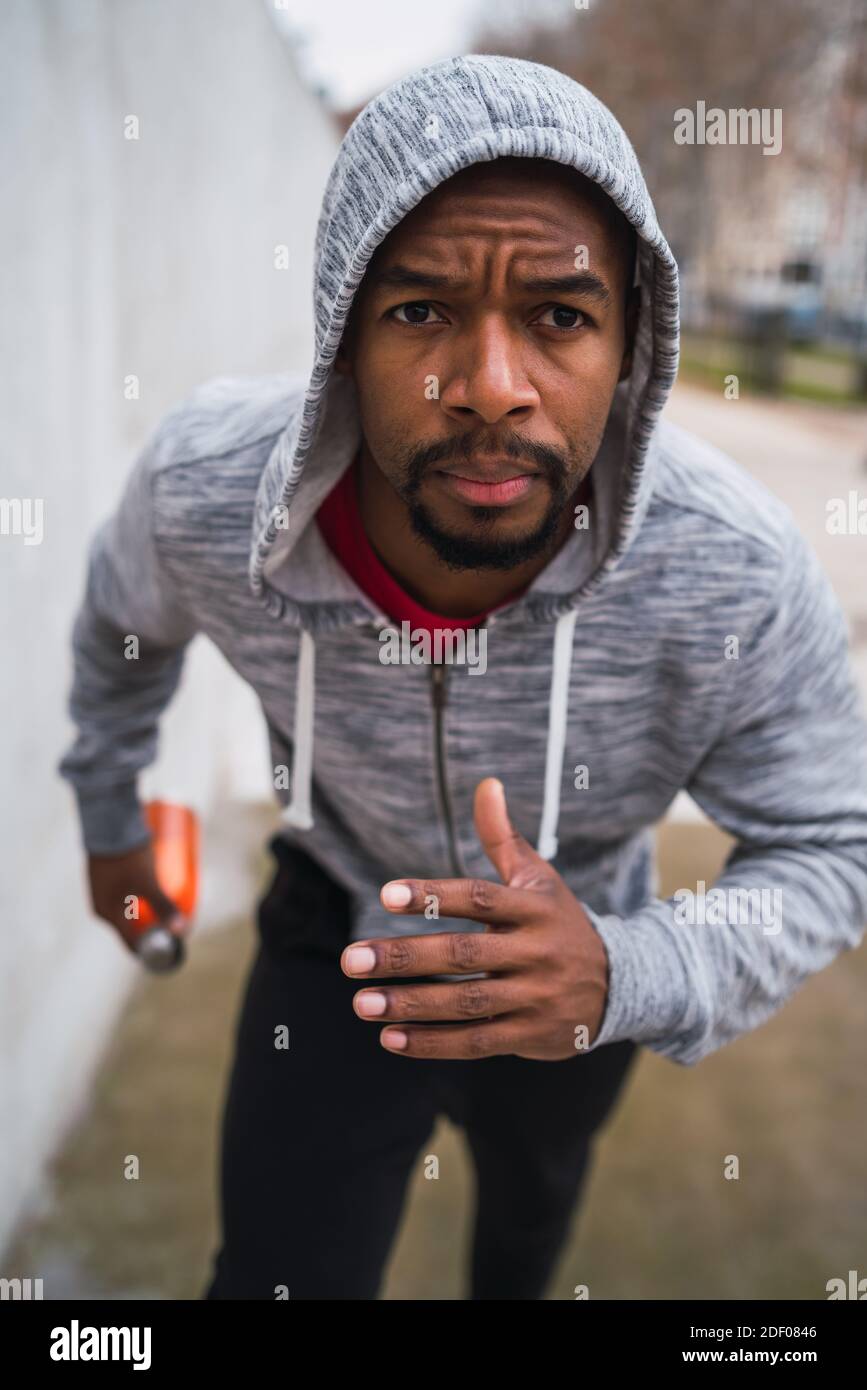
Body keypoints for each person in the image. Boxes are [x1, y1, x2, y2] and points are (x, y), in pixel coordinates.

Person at [58, 54, 867, 1300]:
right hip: (337, 921)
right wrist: (109, 817)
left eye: (560, 315)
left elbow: (831, 842)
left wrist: (627, 970)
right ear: (340, 335)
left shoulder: (733, 572)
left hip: (580, 950)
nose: (492, 387)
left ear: (634, 345)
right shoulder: (204, 496)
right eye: (421, 309)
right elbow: (123, 633)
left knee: (522, 1248)